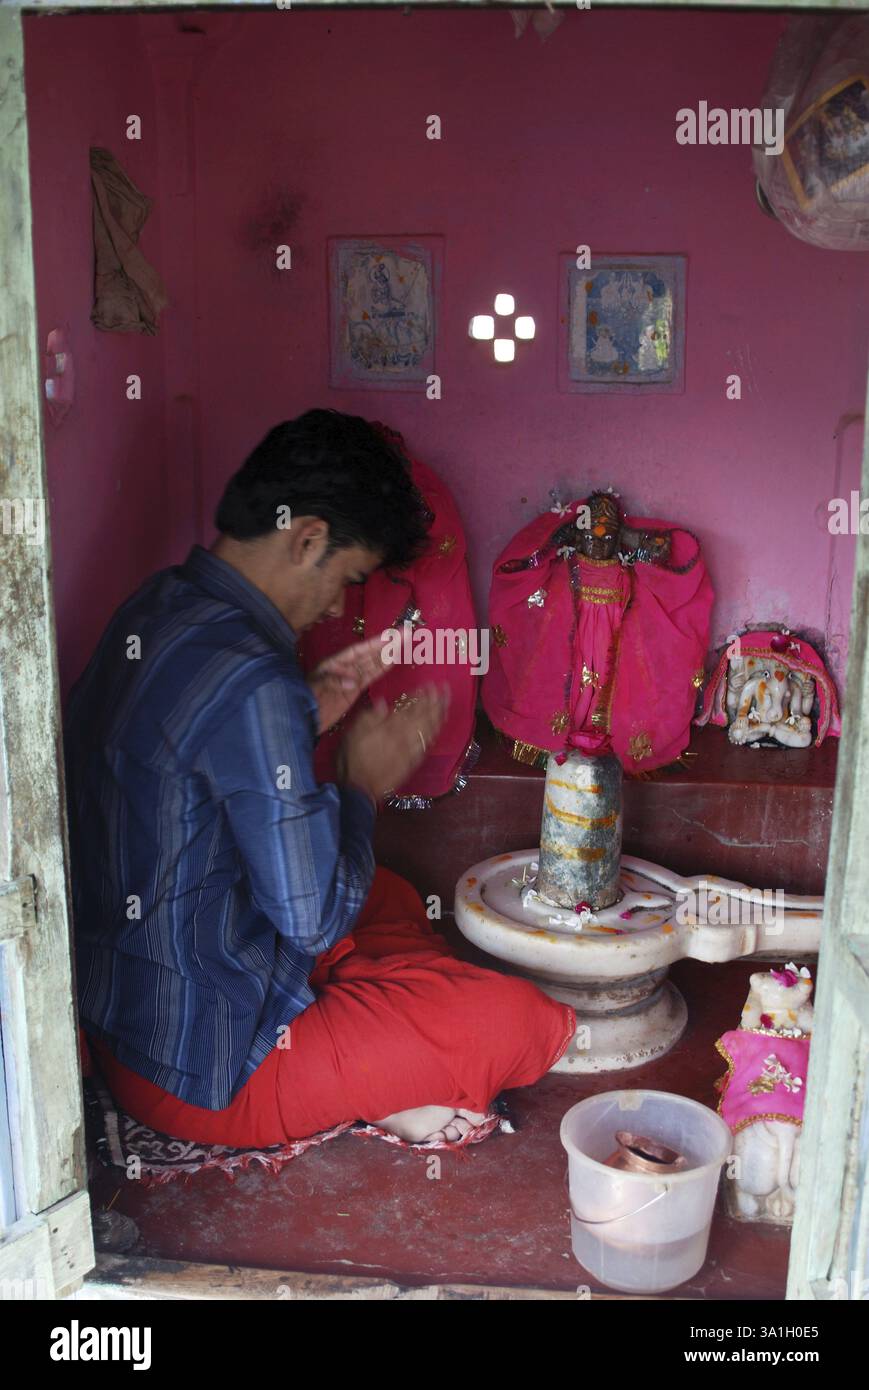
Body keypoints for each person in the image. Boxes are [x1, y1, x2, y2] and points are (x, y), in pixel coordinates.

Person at [65, 409, 575, 1149]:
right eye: (347, 577)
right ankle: (389, 1080)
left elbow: (184, 761)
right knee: (519, 1021)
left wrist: (304, 709)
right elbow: (312, 921)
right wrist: (359, 781)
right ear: (305, 537)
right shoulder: (253, 676)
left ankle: (384, 1056)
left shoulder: (157, 606)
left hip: (130, 1017)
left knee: (390, 891)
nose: (338, 604)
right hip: (214, 1076)